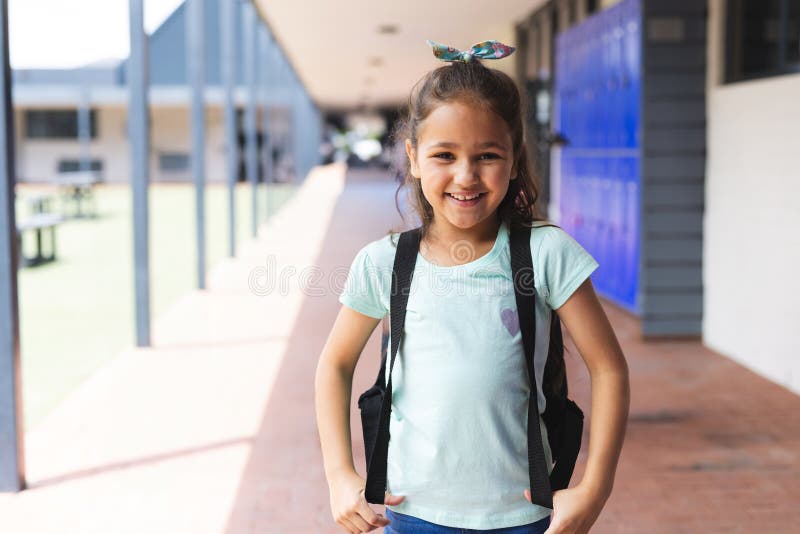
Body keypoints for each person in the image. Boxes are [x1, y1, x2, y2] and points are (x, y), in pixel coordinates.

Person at [315, 40, 630, 534]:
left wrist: (595, 487)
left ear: (514, 157)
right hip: (412, 512)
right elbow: (334, 364)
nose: (466, 175)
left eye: (487, 155)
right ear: (414, 158)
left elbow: (609, 368)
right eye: (445, 155)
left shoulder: (546, 254)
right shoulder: (385, 263)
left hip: (525, 518)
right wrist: (339, 474)